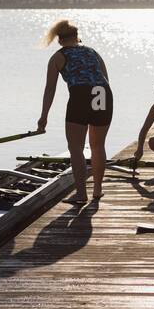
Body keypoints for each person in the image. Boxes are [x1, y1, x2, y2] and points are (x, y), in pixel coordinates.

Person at [37, 18, 112, 202]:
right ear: (77, 37)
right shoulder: (93, 52)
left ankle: (80, 194)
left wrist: (43, 117)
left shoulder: (58, 57)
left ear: (60, 39)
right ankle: (97, 190)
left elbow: (50, 89)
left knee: (76, 148)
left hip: (80, 95)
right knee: (98, 145)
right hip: (103, 93)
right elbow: (105, 78)